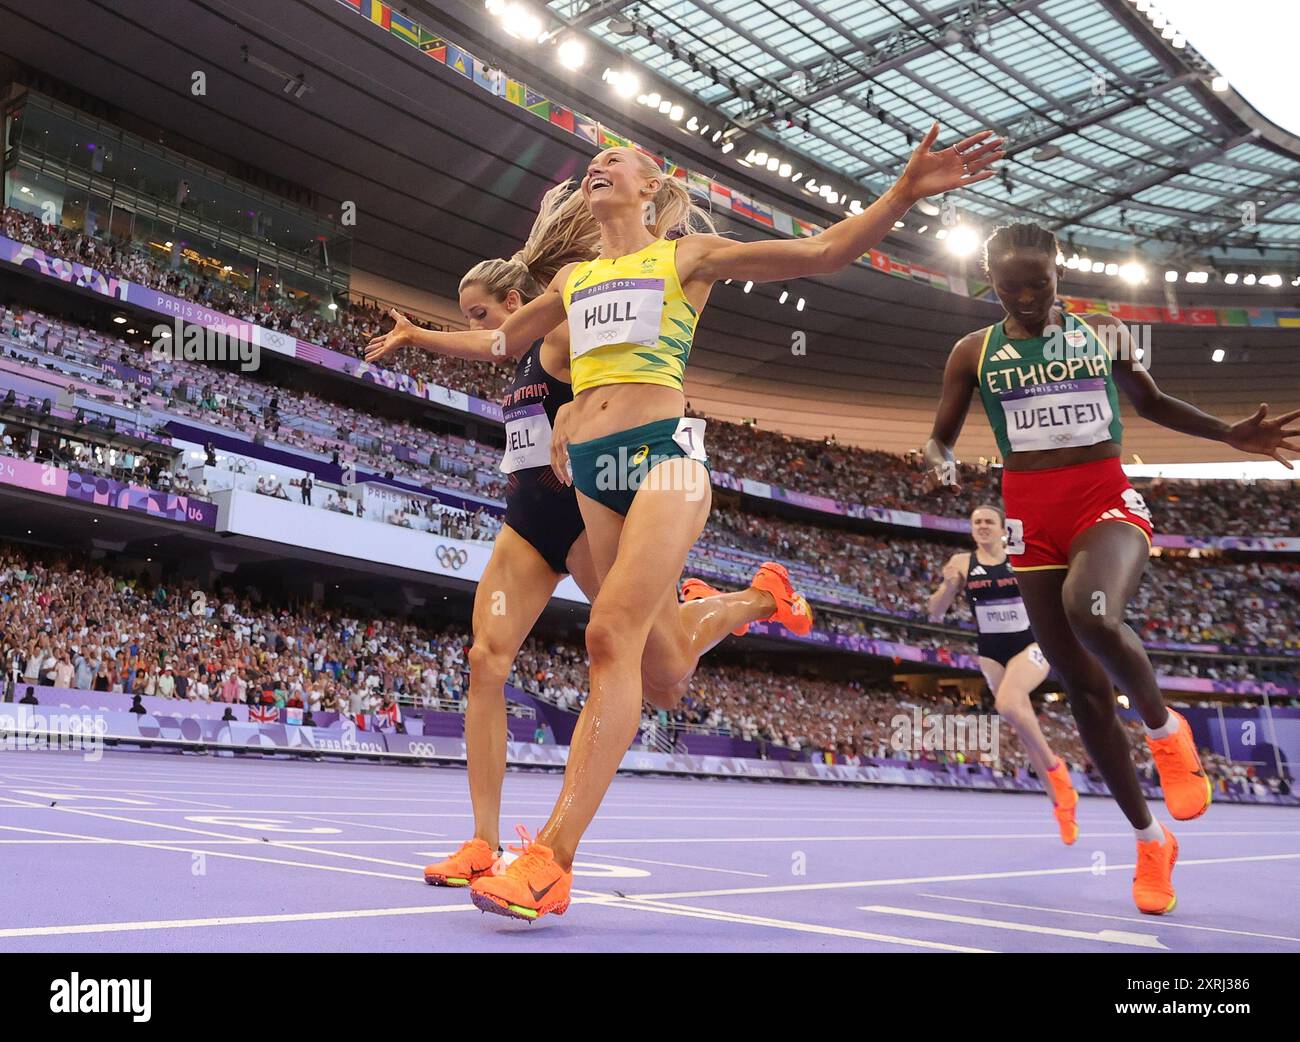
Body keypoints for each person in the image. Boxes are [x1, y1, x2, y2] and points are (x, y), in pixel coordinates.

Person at [371, 126, 1000, 920]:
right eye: (592, 161)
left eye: (616, 160)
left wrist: (902, 195)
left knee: (608, 640)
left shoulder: (687, 256)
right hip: (596, 477)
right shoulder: (575, 278)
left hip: (664, 459)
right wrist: (417, 333)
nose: (599, 164)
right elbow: (501, 338)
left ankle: (550, 861)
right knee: (663, 673)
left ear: (652, 186)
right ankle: (756, 600)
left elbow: (823, 252)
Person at [370, 182, 802, 893]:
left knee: (668, 671)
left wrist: (655, 214)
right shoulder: (524, 346)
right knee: (485, 658)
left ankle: (755, 599)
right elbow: (493, 345)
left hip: (596, 516)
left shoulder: (573, 325)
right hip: (532, 523)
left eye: (483, 312)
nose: (478, 327)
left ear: (517, 304)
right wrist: (418, 335)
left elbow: (611, 304)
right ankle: (482, 842)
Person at [922, 220, 1299, 914]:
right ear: (990, 284)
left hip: (1101, 497)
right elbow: (941, 437)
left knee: (1090, 607)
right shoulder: (972, 353)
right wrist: (938, 462)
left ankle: (1164, 730)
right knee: (1085, 693)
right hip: (1027, 518)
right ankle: (1151, 841)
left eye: (1041, 285)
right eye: (1012, 288)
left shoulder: (1104, 333)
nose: (1029, 298)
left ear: (1059, 275)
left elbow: (1150, 403)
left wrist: (1229, 435)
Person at [928, 503, 1077, 842]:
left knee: (1009, 705)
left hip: (1030, 645)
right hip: (991, 653)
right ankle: (1063, 808)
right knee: (1027, 737)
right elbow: (934, 612)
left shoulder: (1019, 556)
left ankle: (1057, 769)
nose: (982, 526)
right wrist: (949, 587)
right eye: (976, 522)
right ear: (971, 529)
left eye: (988, 521)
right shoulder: (961, 563)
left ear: (1001, 527)